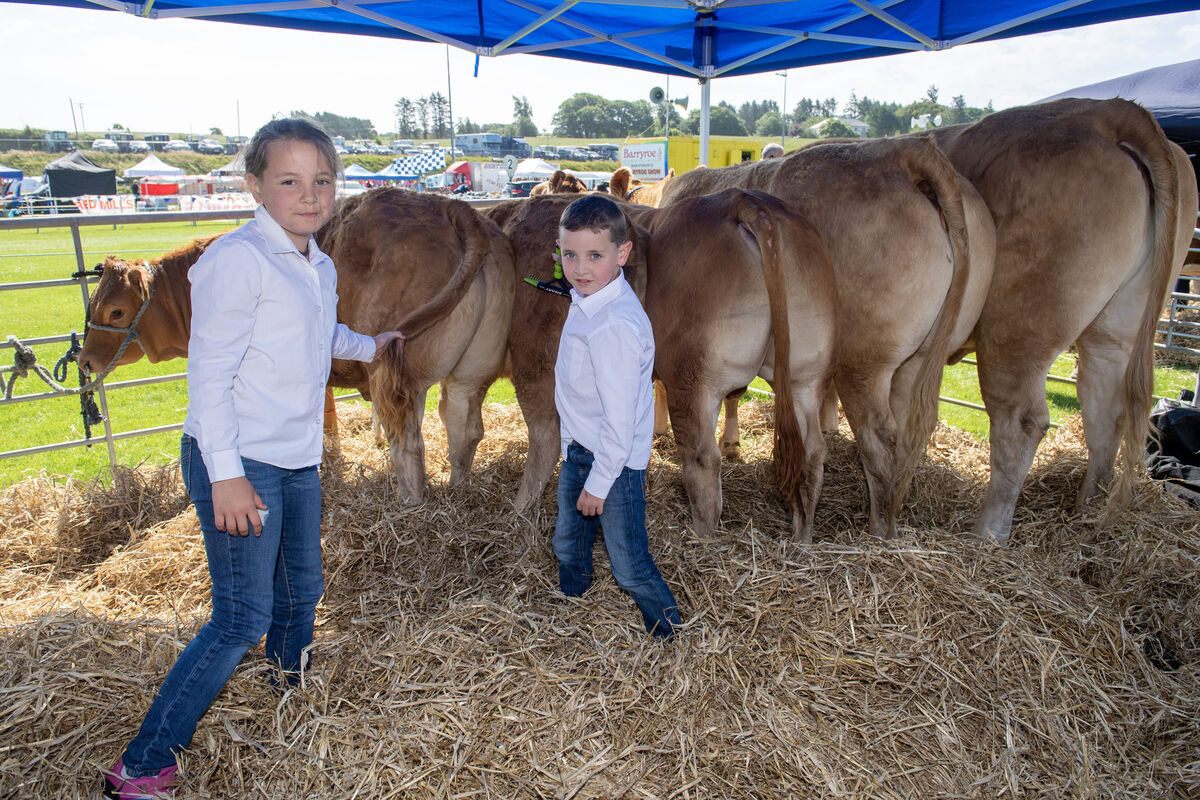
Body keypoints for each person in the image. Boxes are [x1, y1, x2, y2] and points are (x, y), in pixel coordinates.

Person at [103, 118, 404, 800]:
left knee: (303, 589)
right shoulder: (235, 261)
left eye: (322, 180)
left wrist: (371, 343)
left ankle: (287, 692)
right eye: (289, 181)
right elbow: (208, 376)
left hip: (296, 457)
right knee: (240, 615)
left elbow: (314, 330)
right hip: (237, 458)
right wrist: (228, 475)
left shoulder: (314, 261)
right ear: (255, 187)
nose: (309, 194)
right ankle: (144, 761)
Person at [552, 194, 682, 639]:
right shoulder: (589, 299)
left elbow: (621, 420)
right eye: (569, 254)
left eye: (595, 256)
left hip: (615, 464)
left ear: (622, 254)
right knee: (568, 543)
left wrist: (599, 483)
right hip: (581, 451)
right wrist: (571, 446)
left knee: (628, 564)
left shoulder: (613, 325)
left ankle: (668, 632)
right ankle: (573, 606)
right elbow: (576, 388)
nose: (580, 268)